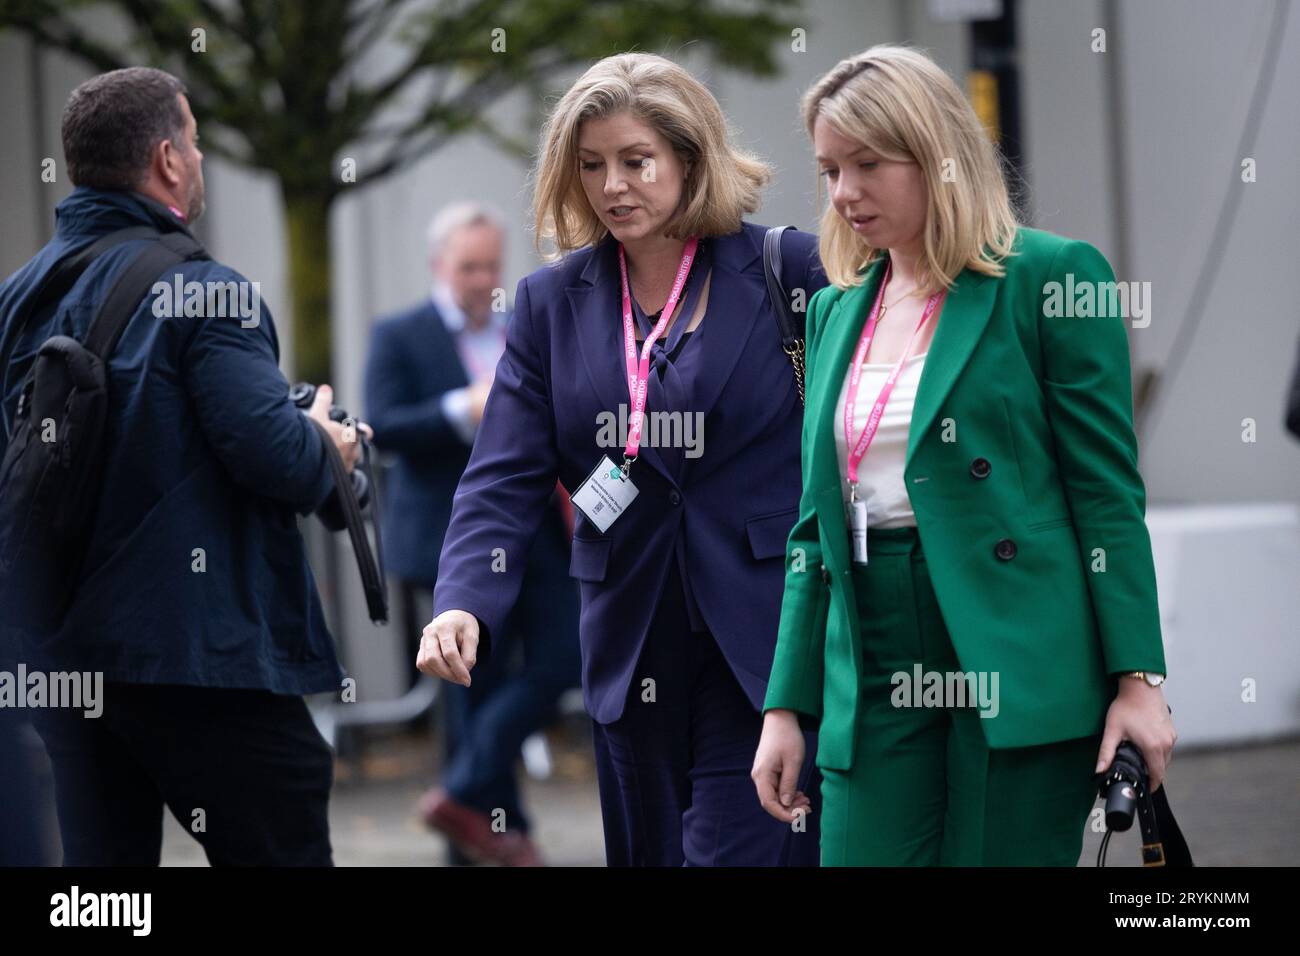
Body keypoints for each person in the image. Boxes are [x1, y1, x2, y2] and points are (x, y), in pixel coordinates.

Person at [752, 45, 1177, 866]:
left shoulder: (1049, 277)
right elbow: (814, 530)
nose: (844, 194)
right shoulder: (836, 311)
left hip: (1010, 644)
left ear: (937, 155)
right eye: (831, 169)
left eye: (868, 164)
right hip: (871, 648)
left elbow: (1105, 496)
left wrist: (1138, 681)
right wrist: (784, 708)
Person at [417, 52, 827, 866]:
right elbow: (502, 473)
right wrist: (464, 600)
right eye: (592, 165)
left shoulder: (792, 271)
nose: (613, 186)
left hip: (764, 638)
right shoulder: (547, 303)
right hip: (631, 641)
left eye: (636, 161)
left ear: (688, 157)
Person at [0, 67, 366, 866]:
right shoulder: (209, 293)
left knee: (104, 884)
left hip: (66, 660)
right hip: (208, 661)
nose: (199, 159)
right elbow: (276, 457)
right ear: (168, 159)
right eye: (196, 142)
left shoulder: (18, 296)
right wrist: (328, 444)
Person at [364, 202, 579, 866]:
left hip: (537, 532)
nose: (482, 277)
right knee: (471, 686)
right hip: (446, 537)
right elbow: (384, 424)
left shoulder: (521, 325)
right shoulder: (401, 333)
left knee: (561, 661)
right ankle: (493, 835)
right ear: (439, 266)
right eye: (468, 266)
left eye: (491, 264)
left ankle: (460, 796)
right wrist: (464, 407)